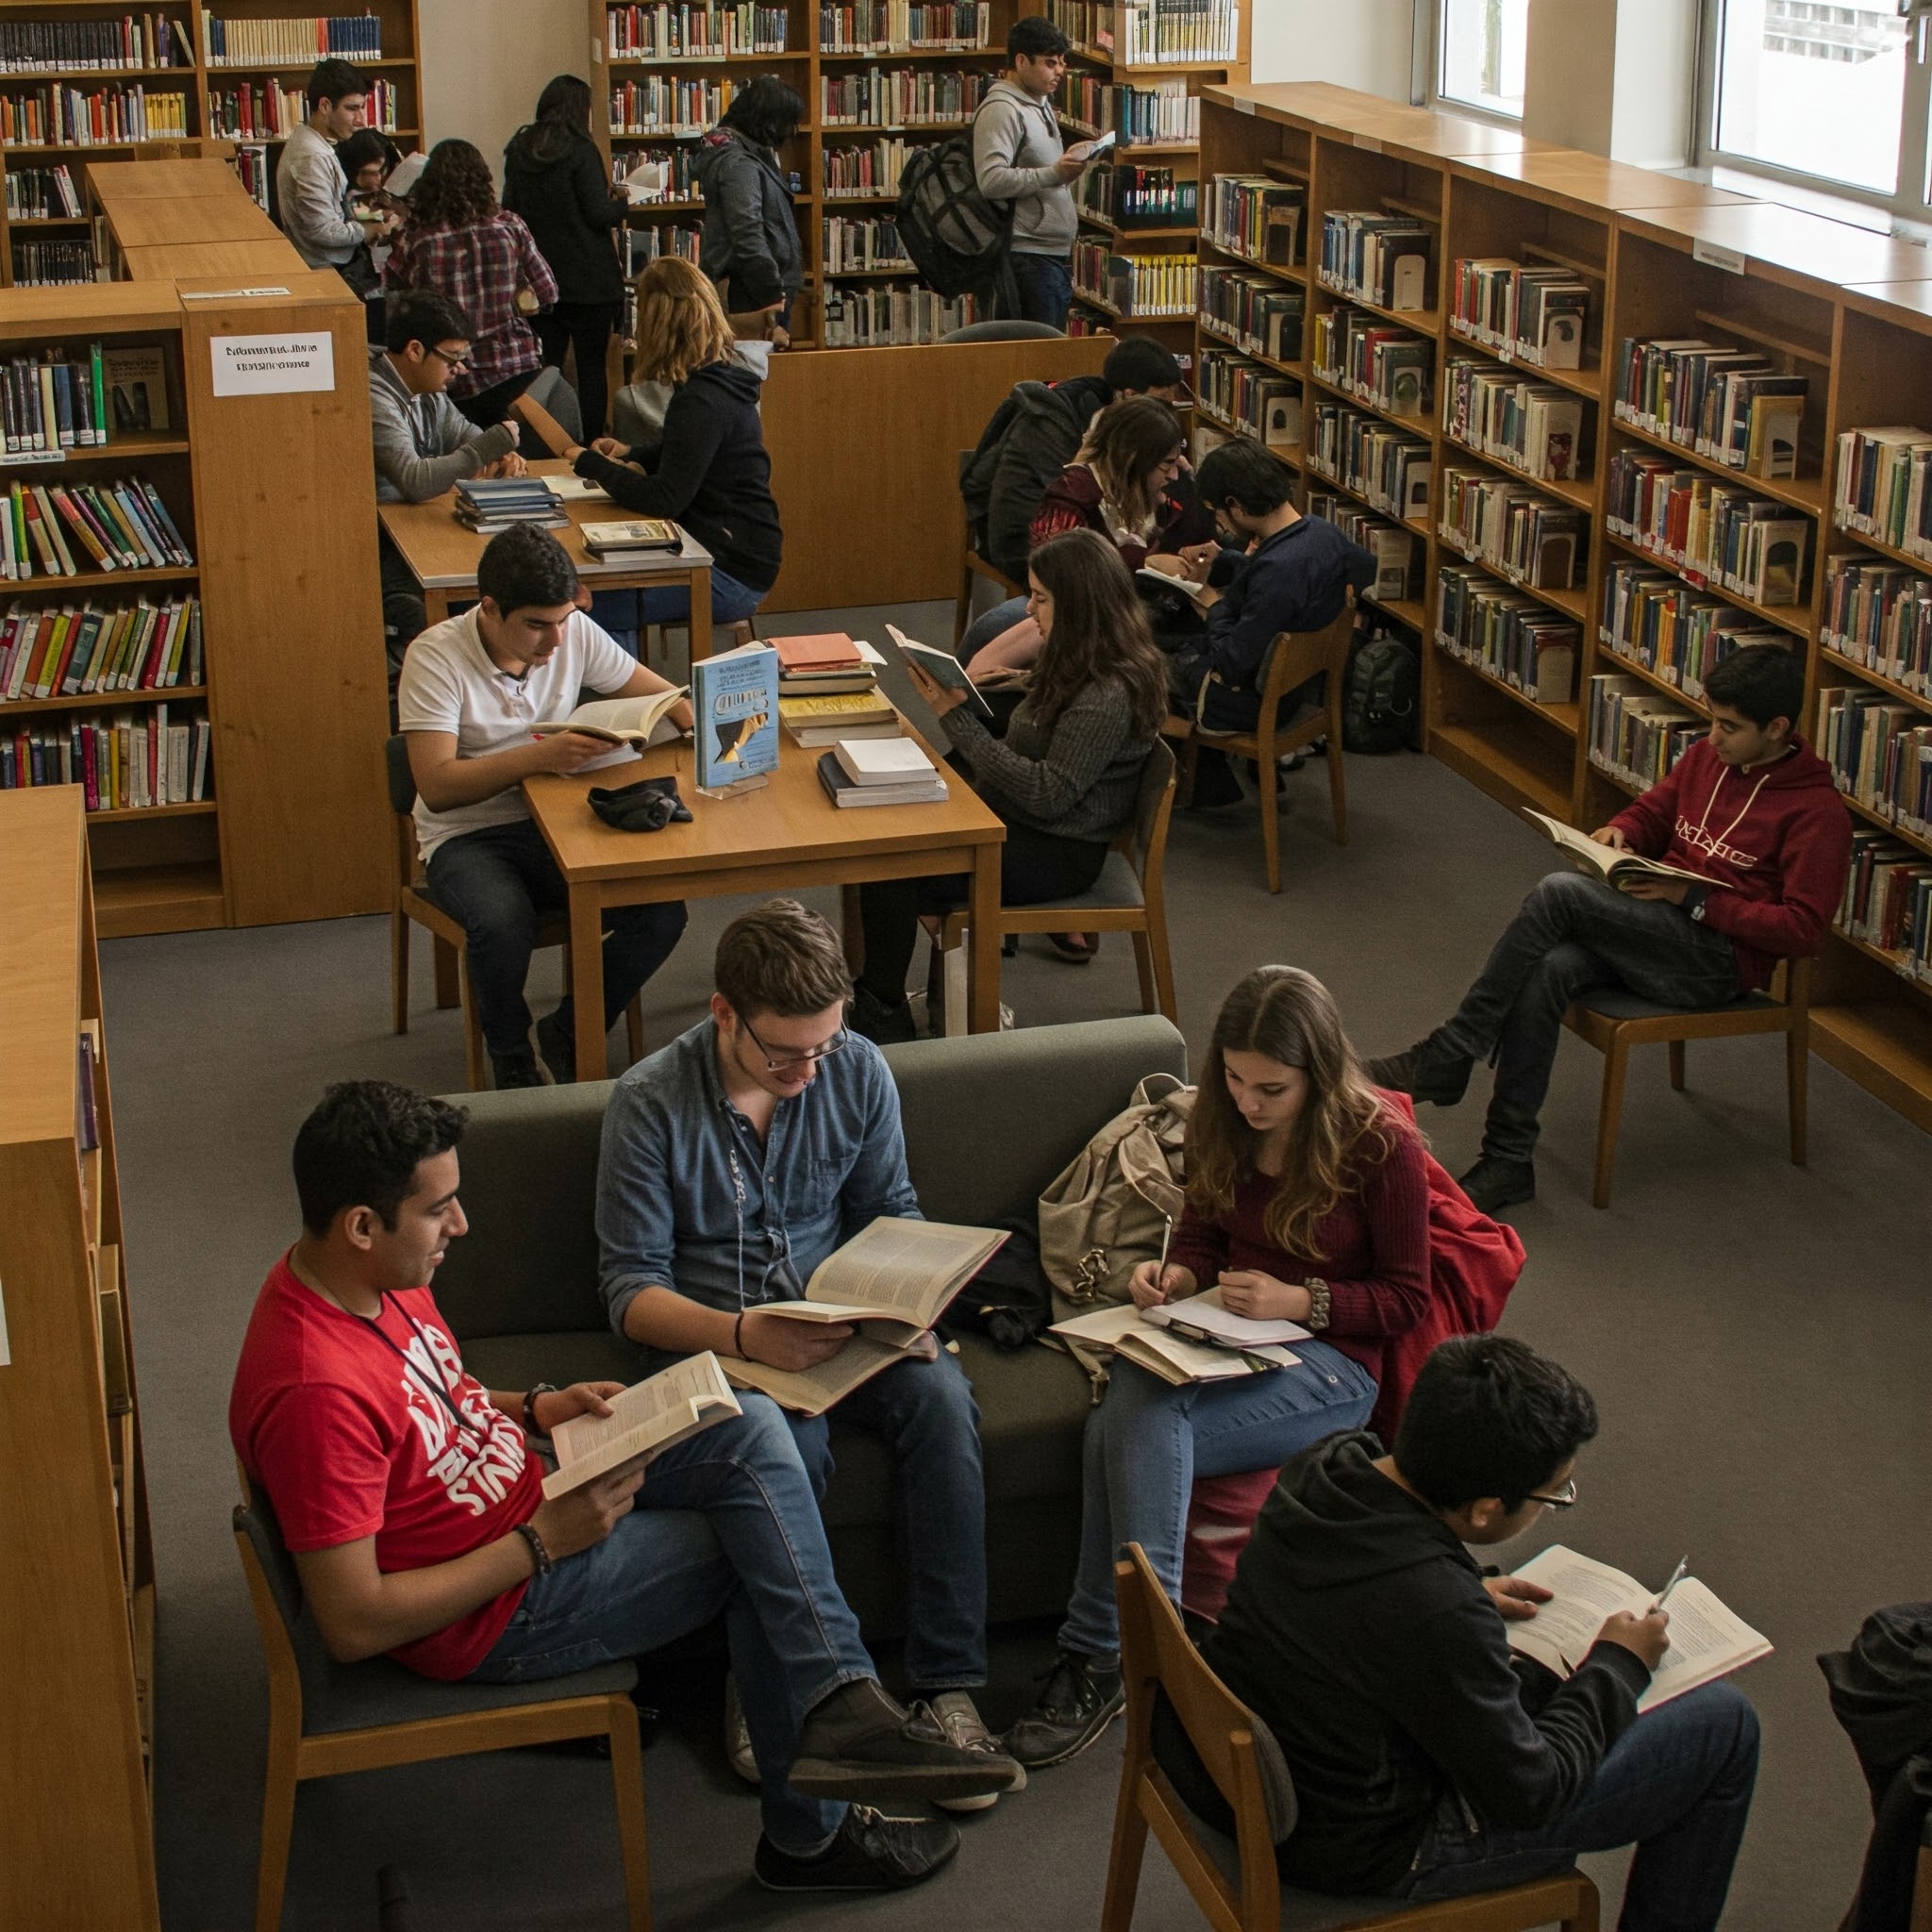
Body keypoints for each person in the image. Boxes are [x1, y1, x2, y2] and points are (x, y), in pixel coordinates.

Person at [231, 1081, 1015, 1894]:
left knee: (750, 1422)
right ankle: (810, 1835)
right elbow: (355, 1621)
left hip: (538, 1482)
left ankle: (839, 1702)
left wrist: (535, 1406)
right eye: (438, 1210)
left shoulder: (365, 1279)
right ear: (362, 1225)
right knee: (760, 1540)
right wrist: (541, 1543)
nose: (460, 1225)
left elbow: (428, 1397)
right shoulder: (313, 1391)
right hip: (499, 1606)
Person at [597, 899, 1014, 1805]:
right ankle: (776, 1691)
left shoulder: (854, 1069)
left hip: (840, 1326)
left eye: (823, 1045)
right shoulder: (649, 1104)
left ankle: (946, 1686)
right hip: (723, 1344)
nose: (808, 1071)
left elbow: (888, 1209)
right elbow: (631, 1293)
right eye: (785, 1054)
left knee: (944, 1403)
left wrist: (904, 1305)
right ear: (724, 1014)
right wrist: (745, 1335)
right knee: (791, 1448)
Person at [1158, 1334, 1759, 1928]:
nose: (1552, 1504)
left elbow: (1378, 1604)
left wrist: (1466, 1586)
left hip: (1236, 1780)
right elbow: (1533, 1793)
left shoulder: (1325, 1469)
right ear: (1484, 1509)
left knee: (1539, 1687)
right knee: (1725, 1726)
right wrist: (1616, 1667)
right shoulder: (1437, 1609)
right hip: (1354, 1847)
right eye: (1553, 1495)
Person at [1004, 965, 1420, 1769]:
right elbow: (1200, 1235)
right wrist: (1175, 1276)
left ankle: (1111, 1656)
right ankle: (1135, 1657)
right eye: (1233, 1079)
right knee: (1133, 1397)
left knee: (1128, 1418)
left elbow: (1405, 1298)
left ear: (1317, 1075)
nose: (1248, 1103)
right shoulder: (1221, 1123)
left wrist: (1301, 1301)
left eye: (1271, 1089)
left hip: (1333, 1366)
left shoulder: (1380, 1146)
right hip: (1228, 1339)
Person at [1368, 642, 1853, 1213]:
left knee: (1559, 893)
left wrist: (1695, 898)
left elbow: (1804, 930)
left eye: (1729, 726)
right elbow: (1653, 812)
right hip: (1659, 931)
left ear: (1778, 728)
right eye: (1712, 720)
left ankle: (1450, 1054)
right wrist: (1620, 832)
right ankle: (1508, 1159)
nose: (1713, 737)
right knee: (1548, 968)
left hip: (1716, 962)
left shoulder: (1818, 813)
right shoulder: (1708, 758)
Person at [395, 525, 688, 1089]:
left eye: (563, 620)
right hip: (469, 834)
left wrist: (693, 721)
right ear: (489, 608)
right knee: (502, 922)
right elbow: (437, 786)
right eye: (536, 625)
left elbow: (665, 699)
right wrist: (540, 757)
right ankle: (513, 1063)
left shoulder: (570, 630)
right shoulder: (435, 657)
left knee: (660, 911)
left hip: (560, 821)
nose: (555, 642)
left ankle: (572, 1031)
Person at [854, 528, 1167, 1020]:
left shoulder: (1107, 692)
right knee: (893, 835)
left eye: (1040, 598)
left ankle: (881, 1014)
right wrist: (1014, 683)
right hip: (1030, 825)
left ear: (1078, 605)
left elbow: (1047, 793)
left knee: (889, 871)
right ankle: (926, 1000)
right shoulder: (1084, 655)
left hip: (1057, 848)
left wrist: (953, 716)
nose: (1028, 610)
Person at [554, 256, 781, 640]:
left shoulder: (700, 402)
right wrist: (630, 453)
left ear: (658, 327)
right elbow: (687, 452)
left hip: (727, 573)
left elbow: (664, 499)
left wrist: (591, 464)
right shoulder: (717, 381)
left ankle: (624, 680)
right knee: (603, 588)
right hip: (737, 555)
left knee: (592, 602)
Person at [1166, 437, 1377, 807]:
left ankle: (1191, 790)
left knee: (1138, 665)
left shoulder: (1277, 573)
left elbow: (1231, 662)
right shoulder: (1323, 533)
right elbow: (1363, 569)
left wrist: (1212, 603)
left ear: (1236, 505)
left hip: (1251, 703)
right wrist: (1231, 559)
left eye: (1219, 514)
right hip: (1297, 687)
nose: (1220, 523)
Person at [961, 395, 1214, 677]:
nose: (1174, 475)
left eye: (1177, 460)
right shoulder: (1071, 496)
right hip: (1088, 612)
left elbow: (1196, 546)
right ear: (1133, 461)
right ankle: (966, 690)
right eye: (1166, 465)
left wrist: (1199, 559)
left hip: (1157, 614)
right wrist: (1146, 563)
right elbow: (1063, 576)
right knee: (1000, 624)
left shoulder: (1171, 489)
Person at [369, 291, 528, 677]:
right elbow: (415, 481)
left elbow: (465, 435)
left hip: (419, 532)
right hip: (385, 549)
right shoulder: (373, 395)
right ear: (415, 351)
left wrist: (501, 454)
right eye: (452, 359)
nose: (461, 370)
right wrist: (490, 446)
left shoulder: (430, 393)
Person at [961, 335, 1191, 588]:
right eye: (1160, 402)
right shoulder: (1053, 427)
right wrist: (1141, 563)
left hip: (1082, 537)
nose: (1165, 415)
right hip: (1029, 543)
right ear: (1130, 396)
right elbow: (1059, 516)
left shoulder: (1116, 421)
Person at [385, 139, 558, 427]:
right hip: (517, 366)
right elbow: (548, 291)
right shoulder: (511, 226)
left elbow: (393, 303)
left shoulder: (417, 240)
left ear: (430, 186)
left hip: (453, 376)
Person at [502, 75, 630, 440]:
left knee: (545, 369)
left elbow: (510, 210)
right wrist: (623, 203)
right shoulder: (581, 150)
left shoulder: (520, 148)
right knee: (591, 370)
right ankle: (589, 444)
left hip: (539, 279)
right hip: (590, 280)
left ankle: (542, 441)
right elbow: (597, 214)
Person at [973, 16, 1093, 327]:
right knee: (1037, 353)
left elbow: (1039, 169)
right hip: (1026, 259)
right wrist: (1054, 173)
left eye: (1062, 63)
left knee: (1049, 352)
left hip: (1051, 257)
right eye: (1049, 63)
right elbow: (991, 179)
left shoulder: (1039, 102)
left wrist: (1067, 164)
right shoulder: (1002, 109)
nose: (1060, 71)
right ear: (1021, 61)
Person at [693, 75, 807, 344]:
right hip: (752, 295)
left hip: (755, 291)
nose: (792, 132)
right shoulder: (739, 164)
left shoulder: (748, 153)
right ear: (770, 121)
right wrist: (772, 296)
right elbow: (747, 231)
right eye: (789, 122)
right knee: (753, 366)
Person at [276, 58, 393, 319]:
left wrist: (371, 216)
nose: (360, 120)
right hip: (328, 274)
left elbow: (332, 212)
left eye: (362, 109)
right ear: (325, 106)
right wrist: (368, 230)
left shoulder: (314, 143)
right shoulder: (312, 157)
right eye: (352, 109)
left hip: (333, 268)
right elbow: (322, 230)